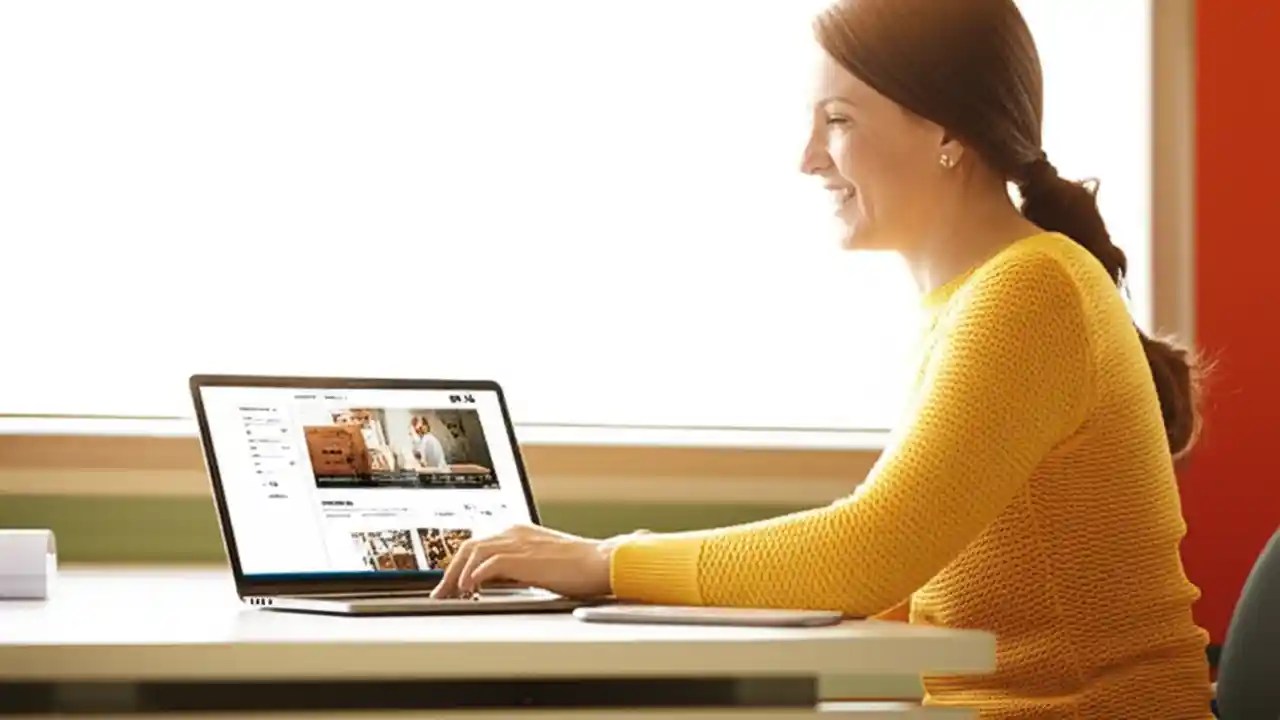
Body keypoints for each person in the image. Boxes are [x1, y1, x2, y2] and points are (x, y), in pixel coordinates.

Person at [430, 0, 1215, 716]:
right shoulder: (978, 300)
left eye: (837, 120)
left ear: (949, 132)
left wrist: (603, 561)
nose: (808, 158)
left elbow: (869, 552)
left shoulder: (1030, 291)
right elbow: (887, 568)